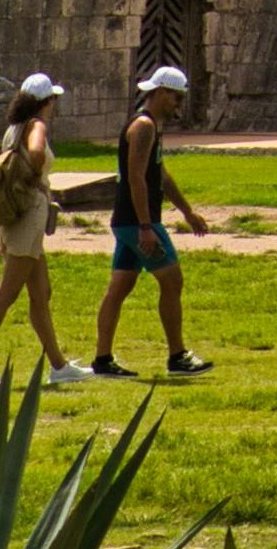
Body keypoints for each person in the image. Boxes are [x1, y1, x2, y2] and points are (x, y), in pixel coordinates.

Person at [85, 62, 211, 378]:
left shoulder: (153, 125)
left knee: (119, 287)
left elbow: (161, 174)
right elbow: (137, 178)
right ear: (158, 92)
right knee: (172, 280)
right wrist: (145, 226)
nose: (178, 104)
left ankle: (103, 360)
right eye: (175, 97)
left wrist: (186, 211)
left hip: (131, 221)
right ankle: (178, 356)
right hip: (137, 222)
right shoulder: (143, 127)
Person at [0, 71, 72, 391]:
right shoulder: (37, 126)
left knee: (41, 294)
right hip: (29, 213)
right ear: (47, 101)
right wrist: (35, 178)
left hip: (19, 214)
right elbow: (35, 153)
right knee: (6, 295)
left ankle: (59, 365)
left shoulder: (13, 129)